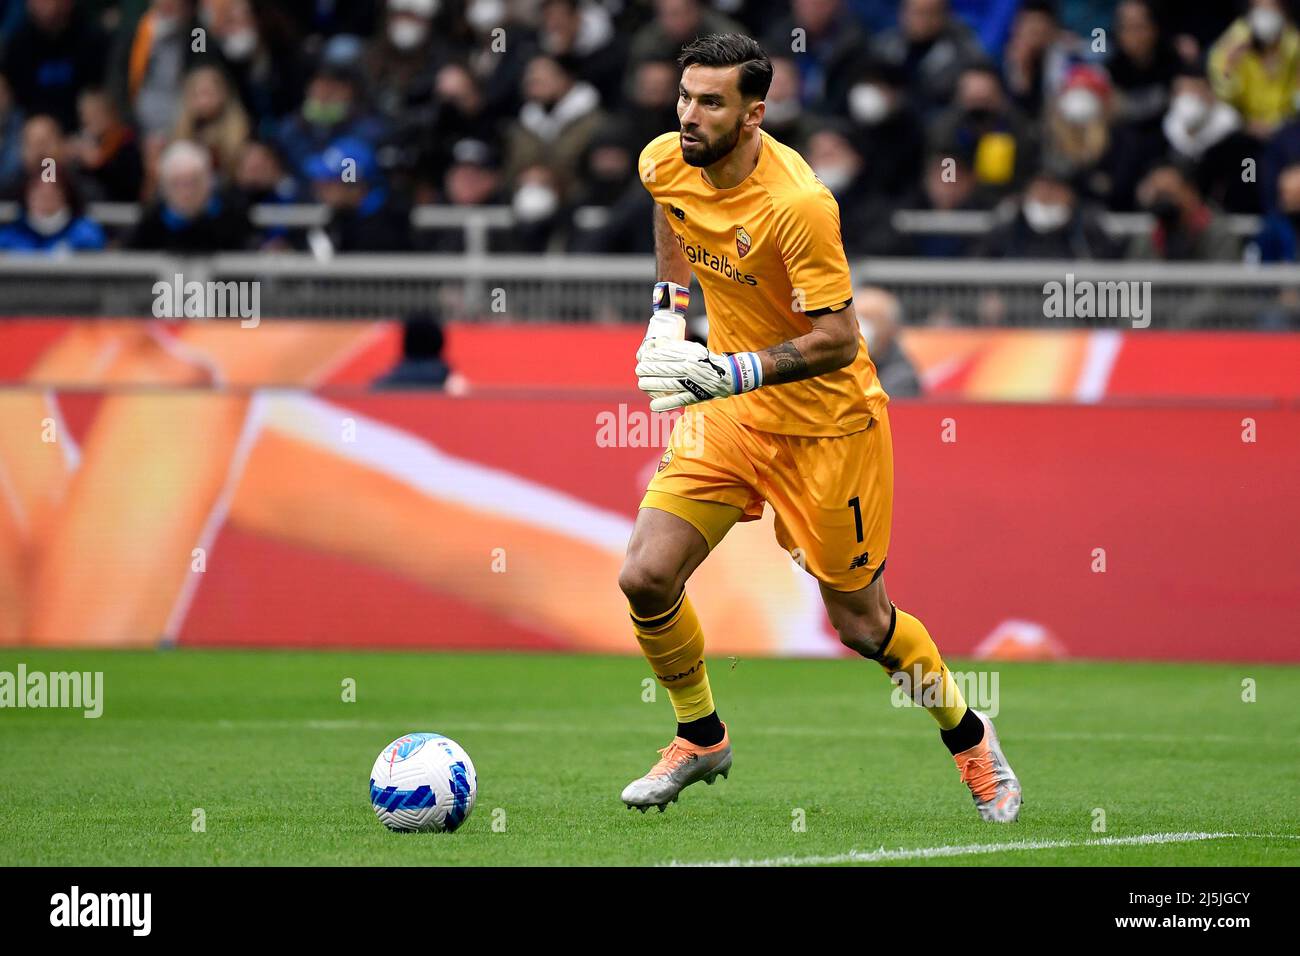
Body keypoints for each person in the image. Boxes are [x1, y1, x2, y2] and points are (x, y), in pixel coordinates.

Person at [621, 34, 1021, 821]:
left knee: (861, 622)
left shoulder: (799, 204)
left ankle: (970, 735)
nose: (688, 117)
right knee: (645, 575)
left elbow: (840, 339)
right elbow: (671, 213)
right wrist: (670, 317)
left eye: (710, 103)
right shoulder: (667, 158)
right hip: (734, 416)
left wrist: (729, 369)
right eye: (684, 96)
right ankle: (701, 736)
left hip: (829, 428)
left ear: (754, 113)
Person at [854, 286, 921, 399]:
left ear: (892, 328)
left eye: (871, 318)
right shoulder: (844, 361)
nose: (861, 325)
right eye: (856, 317)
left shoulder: (902, 376)